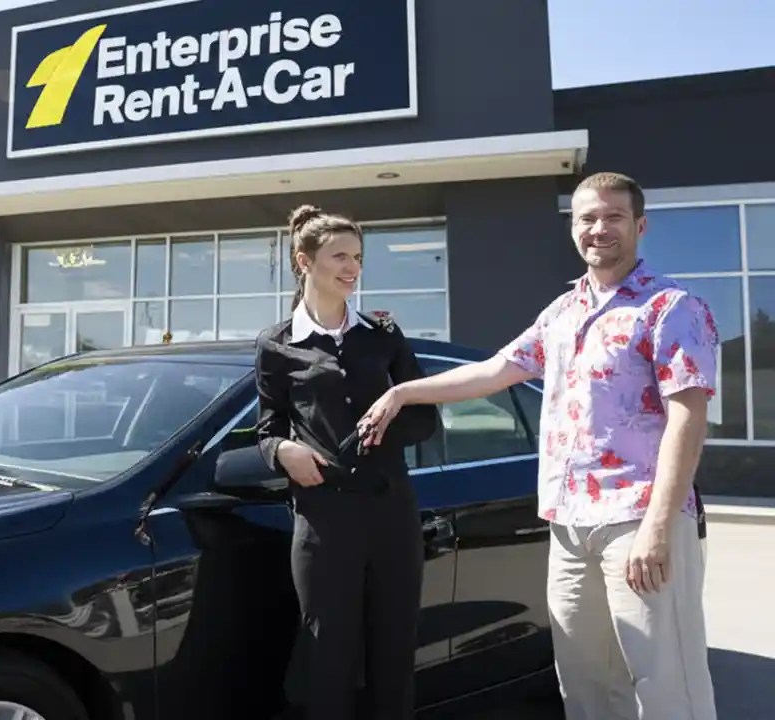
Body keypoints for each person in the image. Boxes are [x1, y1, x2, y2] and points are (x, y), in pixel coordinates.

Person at [356, 172, 718, 720]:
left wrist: (659, 525)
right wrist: (403, 391)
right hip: (569, 523)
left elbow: (688, 419)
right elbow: (495, 370)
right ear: (573, 228)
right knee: (587, 682)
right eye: (587, 219)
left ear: (639, 226)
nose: (599, 229)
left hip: (637, 519)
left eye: (613, 217)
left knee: (667, 683)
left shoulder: (671, 308)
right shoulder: (562, 312)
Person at [255, 204, 439, 719]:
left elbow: (426, 422)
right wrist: (281, 451)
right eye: (340, 256)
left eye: (357, 257)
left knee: (393, 652)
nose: (352, 268)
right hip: (322, 520)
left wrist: (386, 417)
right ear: (304, 260)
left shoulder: (383, 335)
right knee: (326, 656)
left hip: (390, 513)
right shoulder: (276, 344)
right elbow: (266, 429)